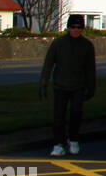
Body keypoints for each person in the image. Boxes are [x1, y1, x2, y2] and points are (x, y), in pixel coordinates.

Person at [40, 14, 96, 157]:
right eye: (73, 27)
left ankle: (73, 140)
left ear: (82, 28)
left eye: (78, 27)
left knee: (76, 114)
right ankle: (58, 144)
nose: (76, 30)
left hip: (78, 86)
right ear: (68, 28)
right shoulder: (58, 44)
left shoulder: (87, 46)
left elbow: (90, 69)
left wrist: (91, 87)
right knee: (58, 116)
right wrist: (43, 84)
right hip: (60, 86)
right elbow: (48, 65)